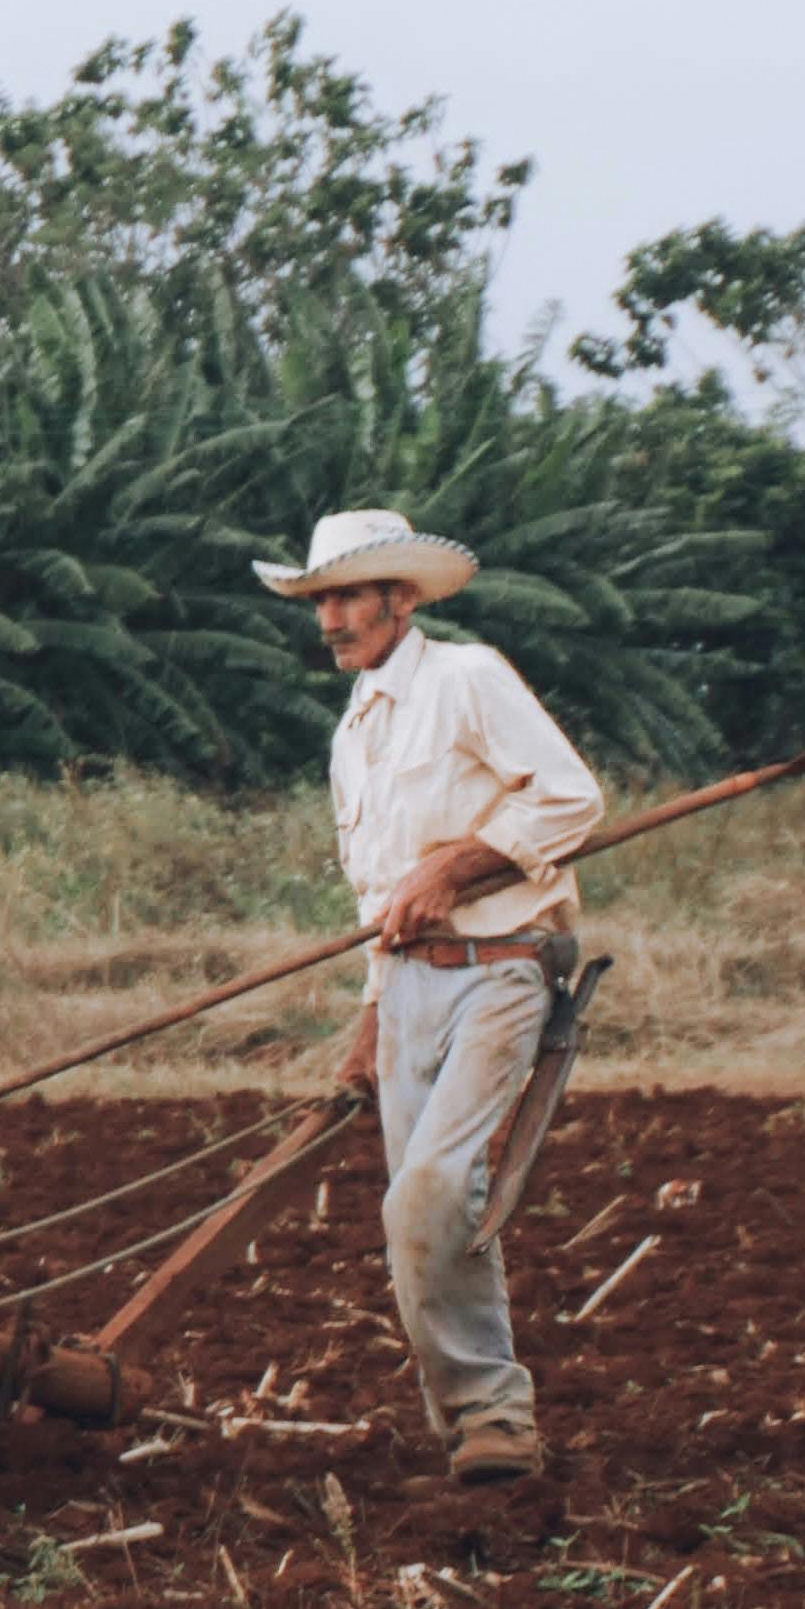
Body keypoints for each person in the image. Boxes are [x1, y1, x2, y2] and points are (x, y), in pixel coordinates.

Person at [252, 507, 604, 1482]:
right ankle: (475, 1428)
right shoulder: (350, 735)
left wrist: (457, 868)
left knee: (434, 1191)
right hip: (406, 990)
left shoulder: (467, 678)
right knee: (424, 1217)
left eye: (345, 598)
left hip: (498, 971)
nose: (329, 619)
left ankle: (494, 1410)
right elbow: (378, 901)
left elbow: (570, 798)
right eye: (317, 601)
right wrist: (368, 1020)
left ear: (399, 599)